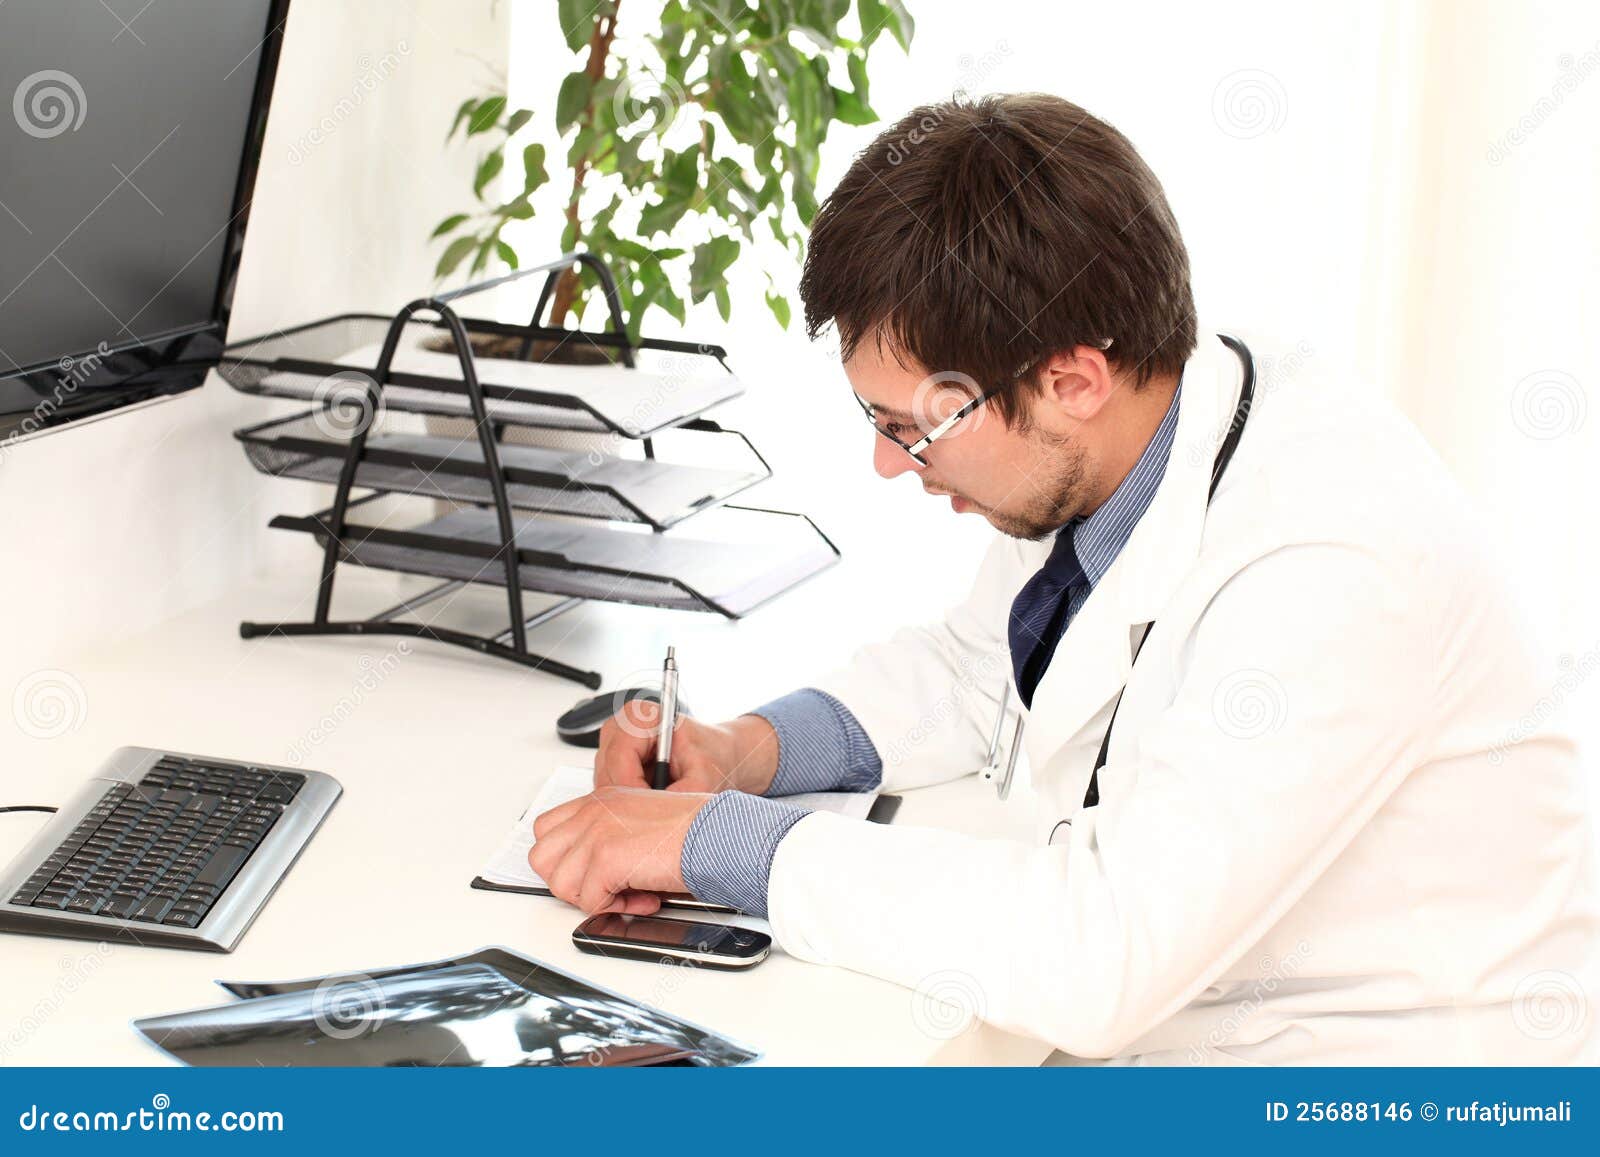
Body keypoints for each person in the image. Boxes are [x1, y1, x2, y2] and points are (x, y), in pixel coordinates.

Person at [530, 93, 1598, 1064]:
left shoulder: (1335, 565)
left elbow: (1105, 953)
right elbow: (972, 668)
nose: (889, 462)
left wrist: (718, 844)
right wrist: (744, 752)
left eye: (917, 425)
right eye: (875, 420)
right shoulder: (1127, 430)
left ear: (1071, 376)